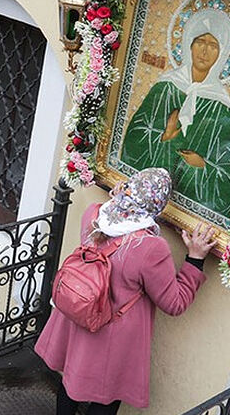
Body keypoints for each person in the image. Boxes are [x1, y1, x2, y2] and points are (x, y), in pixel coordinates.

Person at [35, 168, 215, 414]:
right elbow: (174, 303)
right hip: (112, 336)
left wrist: (115, 200)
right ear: (157, 205)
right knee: (105, 398)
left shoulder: (95, 214)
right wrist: (195, 259)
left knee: (70, 382)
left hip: (79, 315)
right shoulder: (149, 247)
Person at [121, 10, 230, 219]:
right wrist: (164, 136)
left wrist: (202, 164)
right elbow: (134, 135)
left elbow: (228, 175)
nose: (204, 51)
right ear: (188, 44)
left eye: (213, 46)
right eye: (200, 41)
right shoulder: (166, 86)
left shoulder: (220, 104)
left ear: (222, 54)